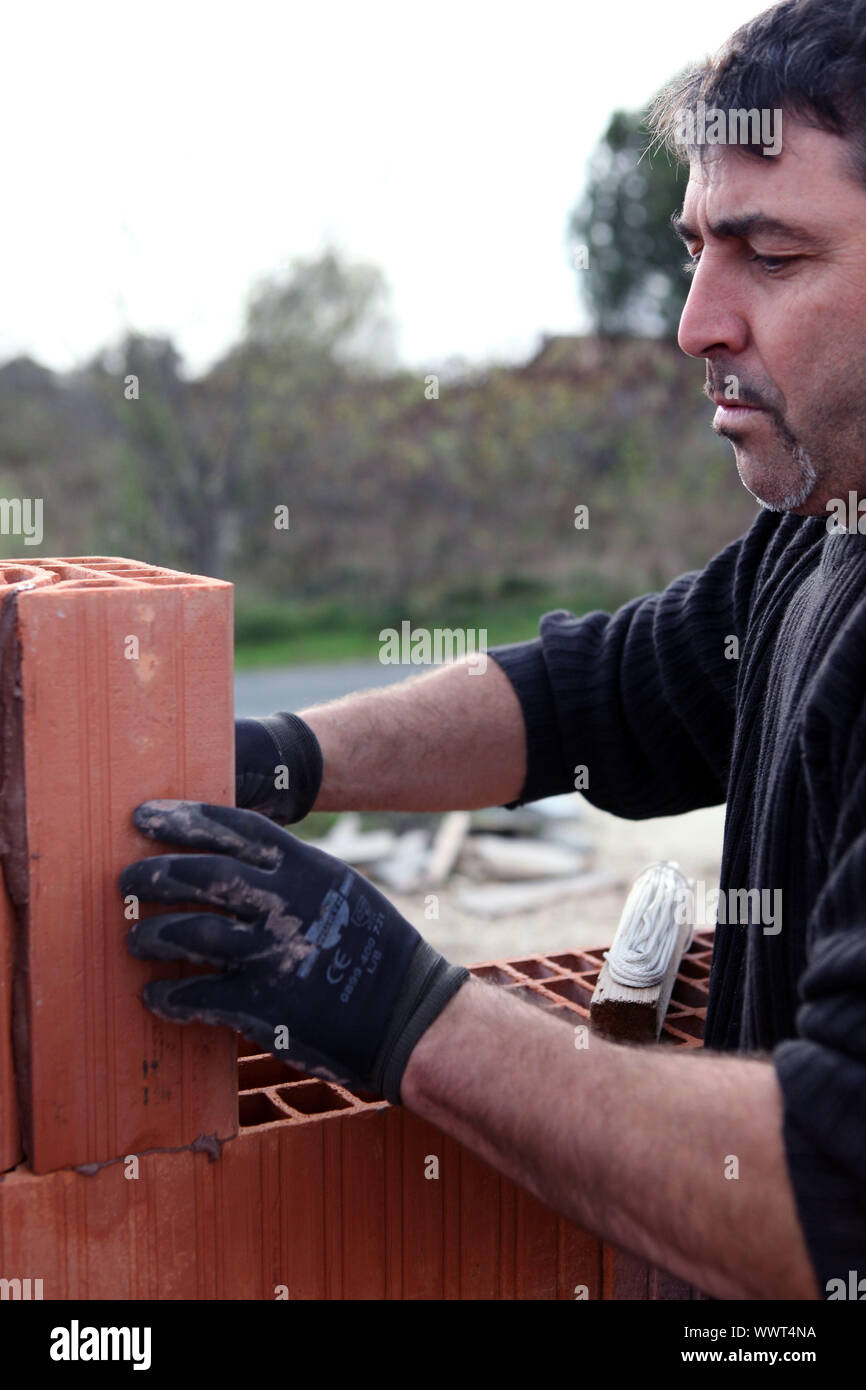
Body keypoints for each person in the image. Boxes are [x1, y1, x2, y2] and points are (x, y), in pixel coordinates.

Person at [121, 0, 866, 1300]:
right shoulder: (819, 532)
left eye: (771, 254)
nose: (696, 322)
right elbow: (585, 698)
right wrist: (275, 757)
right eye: (695, 248)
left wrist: (400, 1009)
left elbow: (833, 1196)